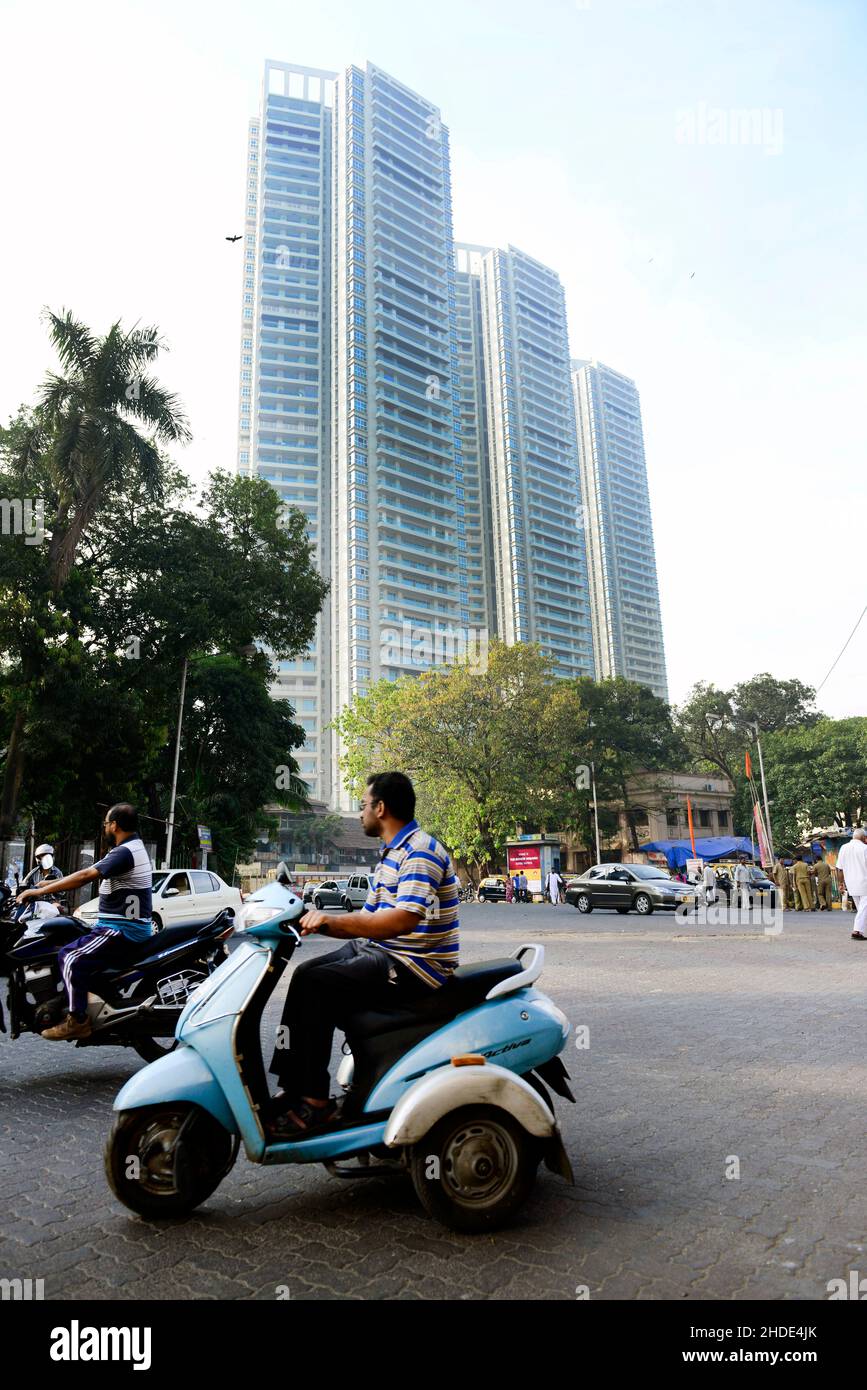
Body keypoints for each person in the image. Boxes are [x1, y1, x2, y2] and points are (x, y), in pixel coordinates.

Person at [268, 771, 459, 1138]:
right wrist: (318, 920)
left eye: (363, 806)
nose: (360, 814)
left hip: (413, 964)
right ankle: (293, 1088)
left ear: (381, 808)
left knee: (318, 985)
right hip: (385, 951)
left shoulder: (419, 850)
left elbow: (402, 920)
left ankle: (316, 1102)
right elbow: (370, 916)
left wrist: (332, 923)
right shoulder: (393, 851)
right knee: (304, 974)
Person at [16, 804, 154, 1040]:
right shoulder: (132, 848)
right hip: (119, 926)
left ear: (115, 825)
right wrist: (44, 885)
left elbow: (85, 875)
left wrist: (40, 892)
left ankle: (77, 1020)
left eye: (106, 824)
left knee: (70, 957)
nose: (105, 829)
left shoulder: (124, 851)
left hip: (123, 930)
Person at [836, 828, 867, 941]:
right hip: (864, 883)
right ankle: (857, 930)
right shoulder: (865, 848)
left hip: (851, 884)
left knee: (862, 909)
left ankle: (861, 932)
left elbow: (839, 868)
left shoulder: (843, 848)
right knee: (864, 909)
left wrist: (840, 883)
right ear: (864, 838)